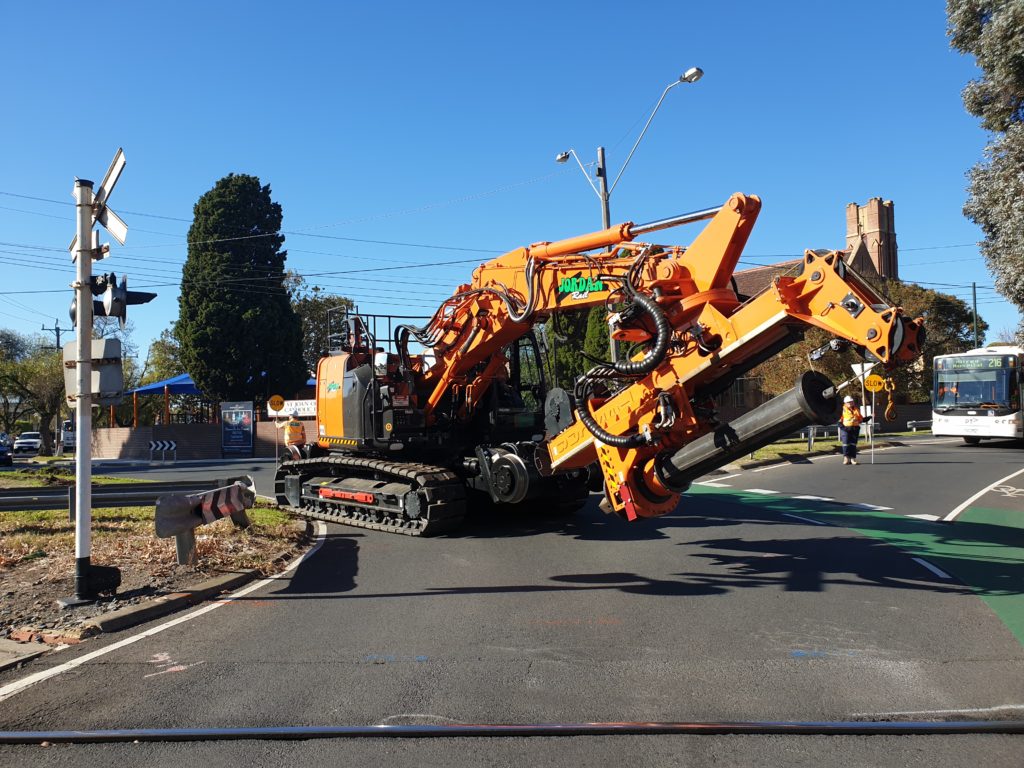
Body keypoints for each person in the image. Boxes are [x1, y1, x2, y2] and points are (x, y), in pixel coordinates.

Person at [839, 395, 863, 465]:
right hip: (846, 429)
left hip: (855, 429)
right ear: (845, 403)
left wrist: (870, 417)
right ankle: (846, 458)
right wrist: (844, 428)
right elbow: (839, 422)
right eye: (849, 402)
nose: (851, 403)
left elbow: (861, 419)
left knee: (853, 444)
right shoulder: (842, 410)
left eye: (852, 401)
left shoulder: (856, 409)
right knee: (846, 444)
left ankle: (853, 459)